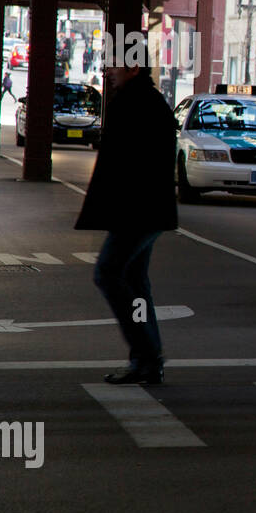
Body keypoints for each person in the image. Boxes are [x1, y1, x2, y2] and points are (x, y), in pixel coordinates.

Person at [74, 53, 178, 384]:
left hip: (137, 213)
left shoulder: (135, 104)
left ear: (133, 68)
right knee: (134, 280)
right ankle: (148, 360)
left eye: (114, 65)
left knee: (108, 272)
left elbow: (125, 167)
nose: (107, 72)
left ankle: (146, 355)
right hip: (148, 211)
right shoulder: (149, 101)